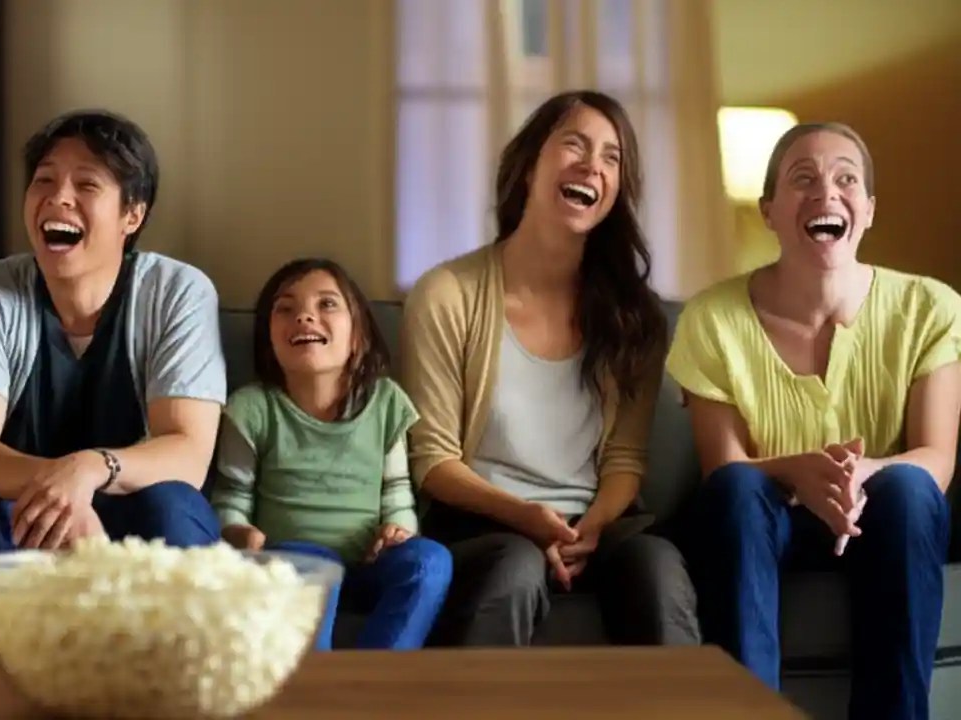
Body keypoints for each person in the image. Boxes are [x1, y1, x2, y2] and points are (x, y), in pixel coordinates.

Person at [667, 122, 958, 720]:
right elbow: (724, 468)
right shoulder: (713, 317)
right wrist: (797, 475)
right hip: (767, 520)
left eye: (846, 179)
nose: (826, 192)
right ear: (770, 211)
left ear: (869, 211)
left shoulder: (930, 307)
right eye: (803, 179)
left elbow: (937, 458)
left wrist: (865, 473)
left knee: (908, 484)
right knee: (739, 488)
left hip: (882, 518)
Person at [0, 109, 226, 654]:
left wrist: (88, 470)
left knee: (172, 506)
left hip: (133, 506)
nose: (58, 197)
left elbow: (188, 454)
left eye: (86, 184)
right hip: (21, 513)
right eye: (44, 181)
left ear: (133, 214)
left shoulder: (178, 292)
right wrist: (61, 492)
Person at [401, 90, 700, 648]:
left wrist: (590, 528)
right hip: (480, 523)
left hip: (597, 521)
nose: (593, 165)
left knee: (656, 567)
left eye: (612, 158)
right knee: (513, 570)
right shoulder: (447, 294)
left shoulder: (636, 317)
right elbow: (434, 460)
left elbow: (624, 459)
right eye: (574, 145)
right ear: (529, 164)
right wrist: (526, 517)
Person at [212, 259, 452, 650]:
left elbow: (396, 491)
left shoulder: (386, 402)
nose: (304, 316)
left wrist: (398, 531)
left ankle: (375, 685)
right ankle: (315, 688)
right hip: (294, 562)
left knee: (431, 561)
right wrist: (238, 532)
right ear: (268, 339)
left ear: (357, 336)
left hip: (373, 564)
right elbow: (231, 496)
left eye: (326, 305)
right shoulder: (252, 408)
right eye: (285, 309)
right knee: (301, 561)